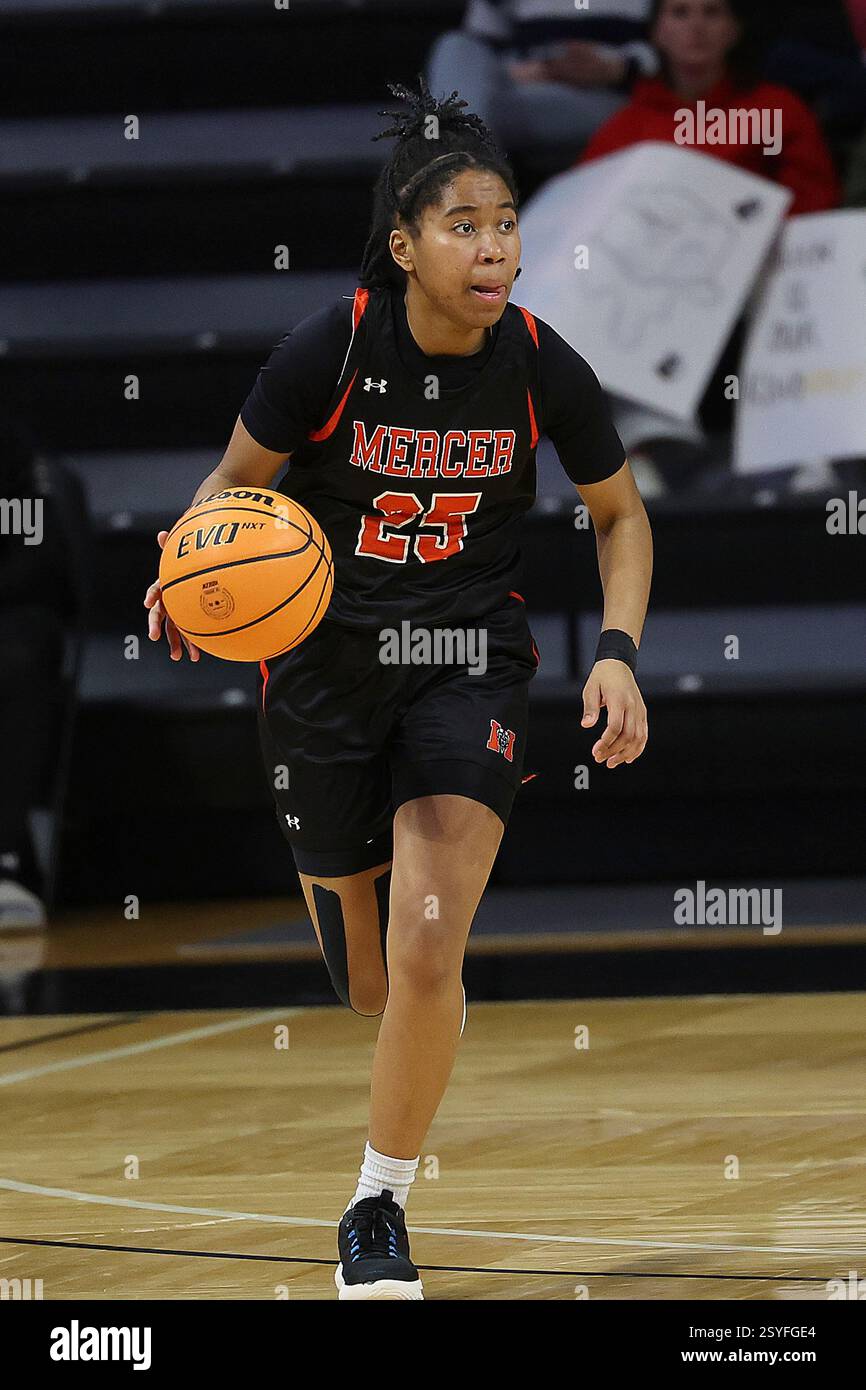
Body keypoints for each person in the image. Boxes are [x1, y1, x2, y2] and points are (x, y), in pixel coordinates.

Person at [144, 76, 652, 1301]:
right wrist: (187, 568)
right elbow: (230, 484)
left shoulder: (536, 360)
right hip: (321, 665)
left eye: (506, 222)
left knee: (430, 945)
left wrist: (617, 649)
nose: (493, 248)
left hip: (468, 657)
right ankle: (414, 1015)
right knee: (370, 985)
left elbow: (618, 514)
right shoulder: (330, 346)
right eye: (463, 226)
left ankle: (377, 1203)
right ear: (405, 245)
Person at [575, 0, 841, 493]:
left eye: (711, 13)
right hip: (661, 280)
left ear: (734, 29)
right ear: (656, 31)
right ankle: (655, 443)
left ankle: (805, 446)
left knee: (802, 275)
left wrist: (769, 236)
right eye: (679, 13)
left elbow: (815, 197)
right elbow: (588, 219)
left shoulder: (775, 109)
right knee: (600, 282)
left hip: (758, 269)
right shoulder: (626, 128)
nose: (695, 27)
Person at [427, 0, 658, 155]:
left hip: (602, 96)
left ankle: (450, 156)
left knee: (459, 122)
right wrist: (520, 72)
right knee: (455, 45)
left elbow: (677, 51)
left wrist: (620, 69)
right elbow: (481, 50)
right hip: (513, 88)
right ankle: (460, 161)